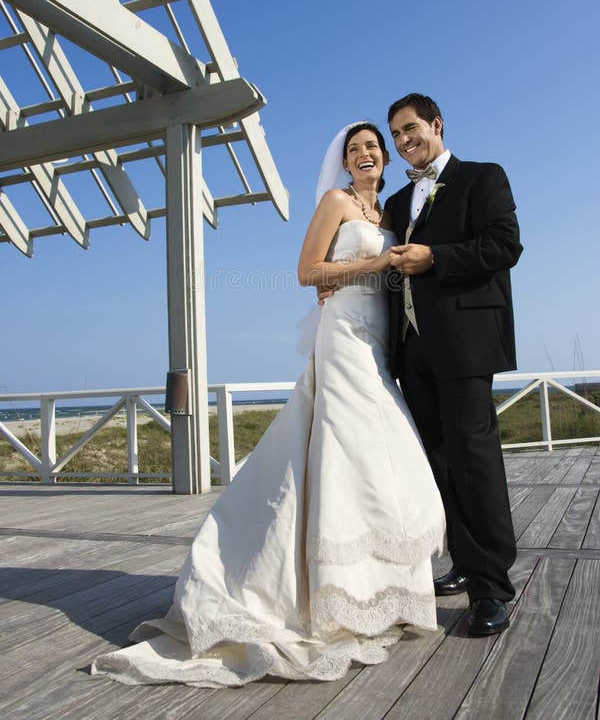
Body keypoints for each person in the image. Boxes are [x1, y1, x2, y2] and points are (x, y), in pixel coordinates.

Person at [91, 122, 445, 687]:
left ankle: (382, 589)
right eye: (354, 149)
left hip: (380, 339)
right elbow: (307, 272)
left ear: (385, 156)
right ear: (344, 161)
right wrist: (373, 265)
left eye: (372, 147)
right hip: (344, 335)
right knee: (348, 453)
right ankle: (331, 594)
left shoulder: (390, 212)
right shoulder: (336, 203)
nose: (364, 154)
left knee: (382, 456)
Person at [384, 93, 522, 636]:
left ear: (436, 125)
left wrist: (436, 257)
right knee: (439, 463)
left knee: (474, 461)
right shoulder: (398, 200)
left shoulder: (483, 177)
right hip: (411, 348)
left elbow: (504, 246)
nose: (403, 141)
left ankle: (491, 588)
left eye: (410, 128)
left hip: (465, 343)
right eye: (396, 134)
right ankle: (465, 563)